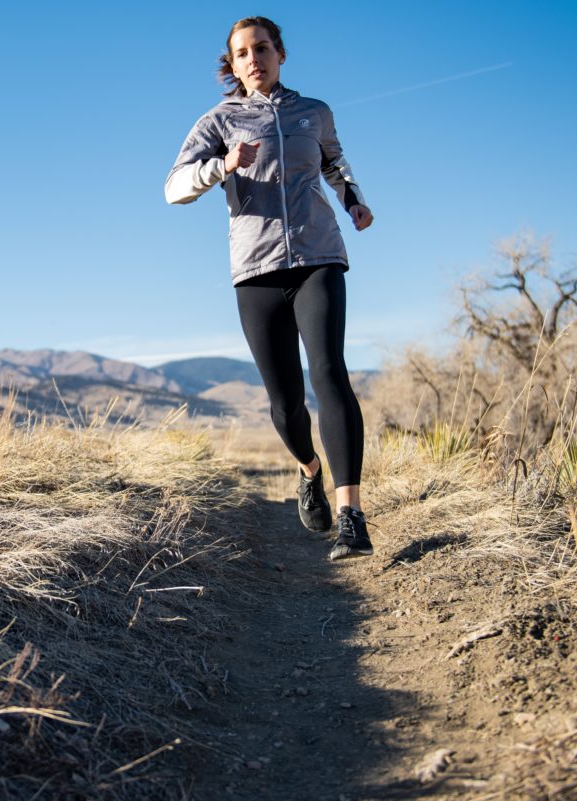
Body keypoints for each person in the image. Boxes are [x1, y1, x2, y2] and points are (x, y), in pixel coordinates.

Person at [165, 16, 374, 560]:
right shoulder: (219, 120)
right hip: (255, 269)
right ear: (231, 65)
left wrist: (352, 200)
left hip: (318, 255)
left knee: (330, 373)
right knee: (284, 404)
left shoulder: (314, 112)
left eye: (262, 48)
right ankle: (309, 470)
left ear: (281, 54)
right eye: (242, 53)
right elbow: (173, 189)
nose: (253, 58)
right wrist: (221, 165)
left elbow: (334, 160)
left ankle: (351, 514)